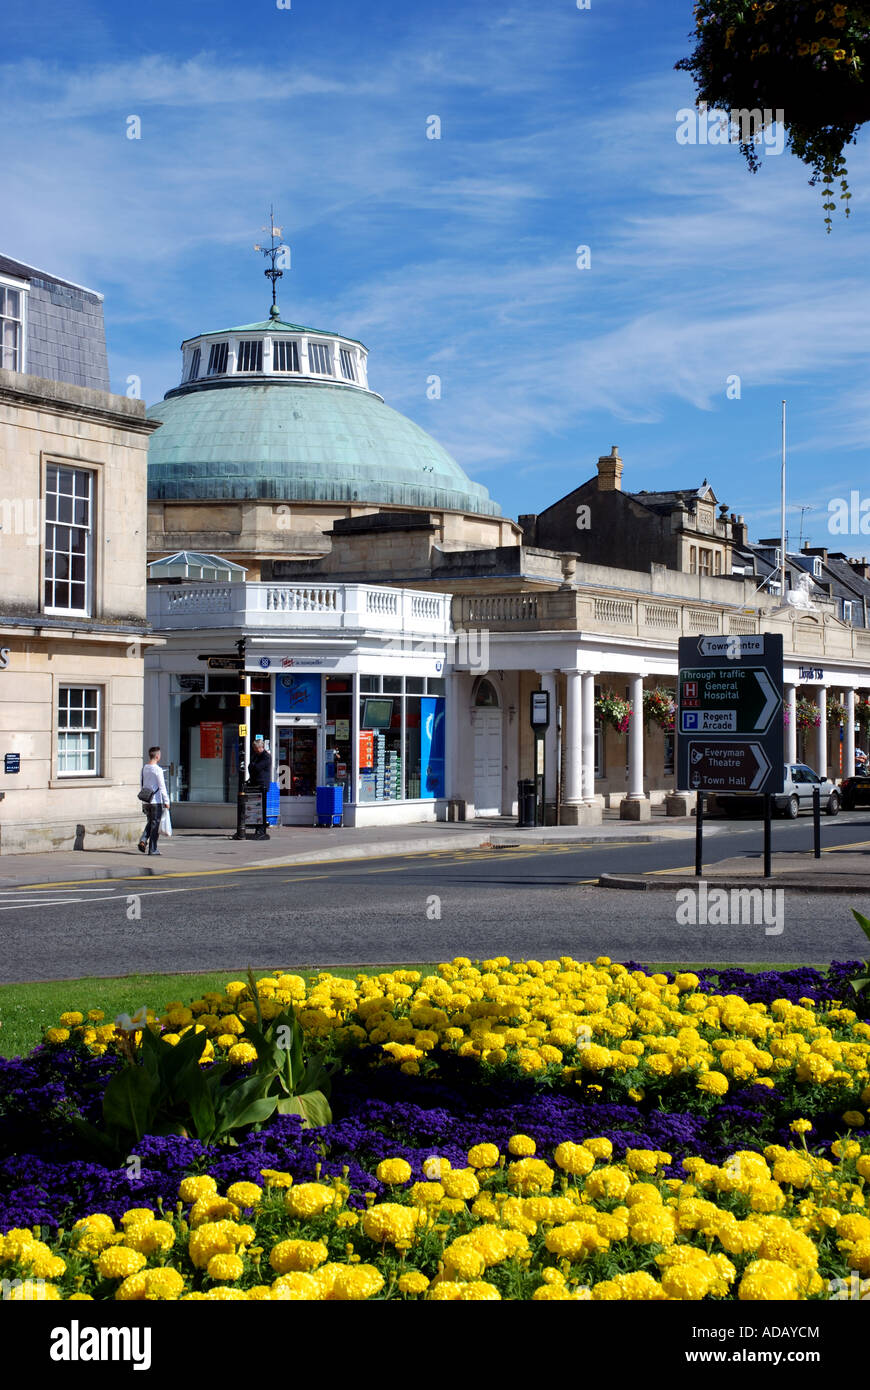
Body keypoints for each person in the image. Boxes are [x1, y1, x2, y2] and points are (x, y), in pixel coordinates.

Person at [138, 746, 170, 856]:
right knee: (155, 825)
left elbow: (142, 784)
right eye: (159, 754)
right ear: (157, 756)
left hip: (146, 800)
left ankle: (143, 840)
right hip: (156, 801)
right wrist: (167, 801)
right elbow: (162, 786)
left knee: (150, 822)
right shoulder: (157, 770)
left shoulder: (144, 768)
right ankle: (153, 849)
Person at [247, 736, 272, 840]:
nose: (254, 750)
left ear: (261, 747)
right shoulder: (256, 755)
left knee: (261, 808)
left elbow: (256, 767)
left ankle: (261, 829)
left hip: (262, 785)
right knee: (255, 807)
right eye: (254, 748)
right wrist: (253, 766)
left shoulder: (266, 756)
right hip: (254, 784)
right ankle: (256, 827)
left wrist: (253, 766)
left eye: (256, 748)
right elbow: (250, 767)